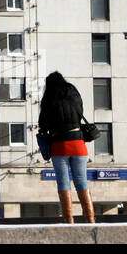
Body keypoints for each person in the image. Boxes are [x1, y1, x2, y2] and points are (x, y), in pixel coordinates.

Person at [38, 71, 96, 223]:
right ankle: (90, 220)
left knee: (63, 182)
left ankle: (69, 221)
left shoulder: (49, 97)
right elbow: (80, 112)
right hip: (78, 144)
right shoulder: (73, 93)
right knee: (81, 181)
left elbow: (42, 123)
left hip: (59, 145)